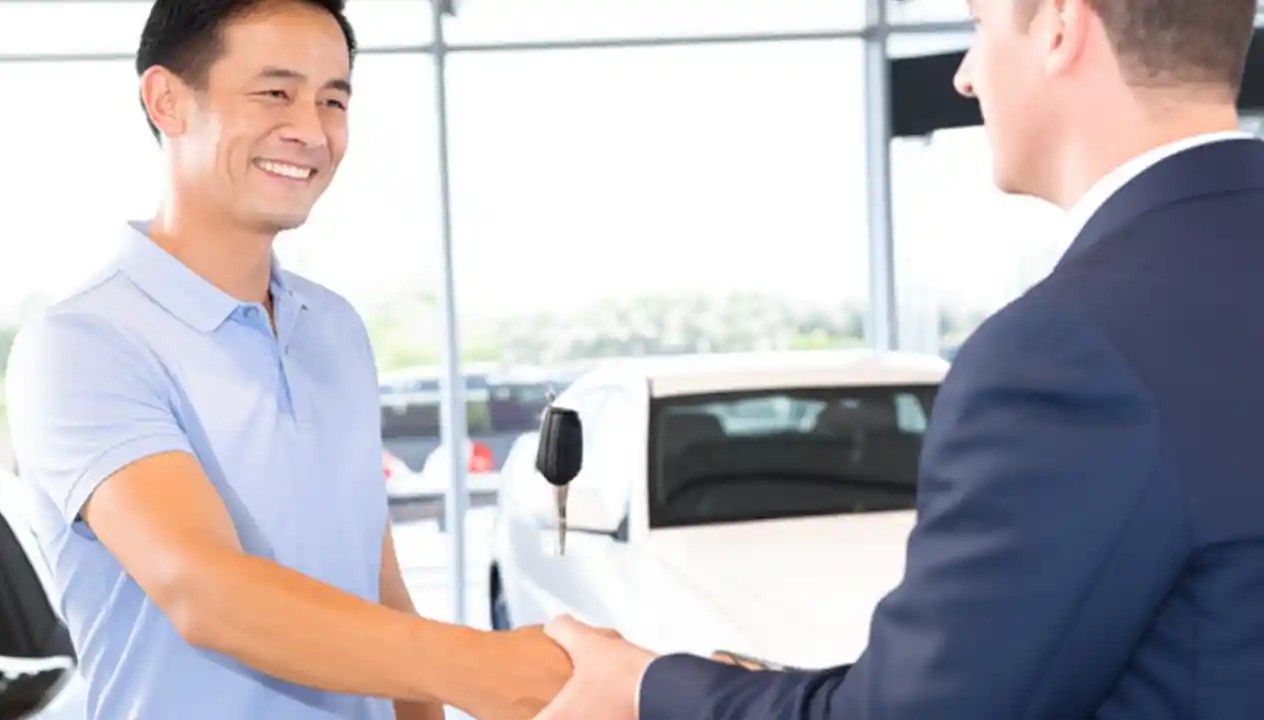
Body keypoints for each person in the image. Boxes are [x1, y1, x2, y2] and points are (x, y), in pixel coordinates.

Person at [535, 0, 1264, 717]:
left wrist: (644, 688)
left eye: (979, 26)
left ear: (1059, 27)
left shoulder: (1068, 351)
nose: (967, 76)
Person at [2, 1, 570, 719]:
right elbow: (204, 590)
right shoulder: (83, 345)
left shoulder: (333, 327)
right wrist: (479, 667)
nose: (311, 130)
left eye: (333, 99)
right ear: (167, 100)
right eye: (275, 92)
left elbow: (377, 576)